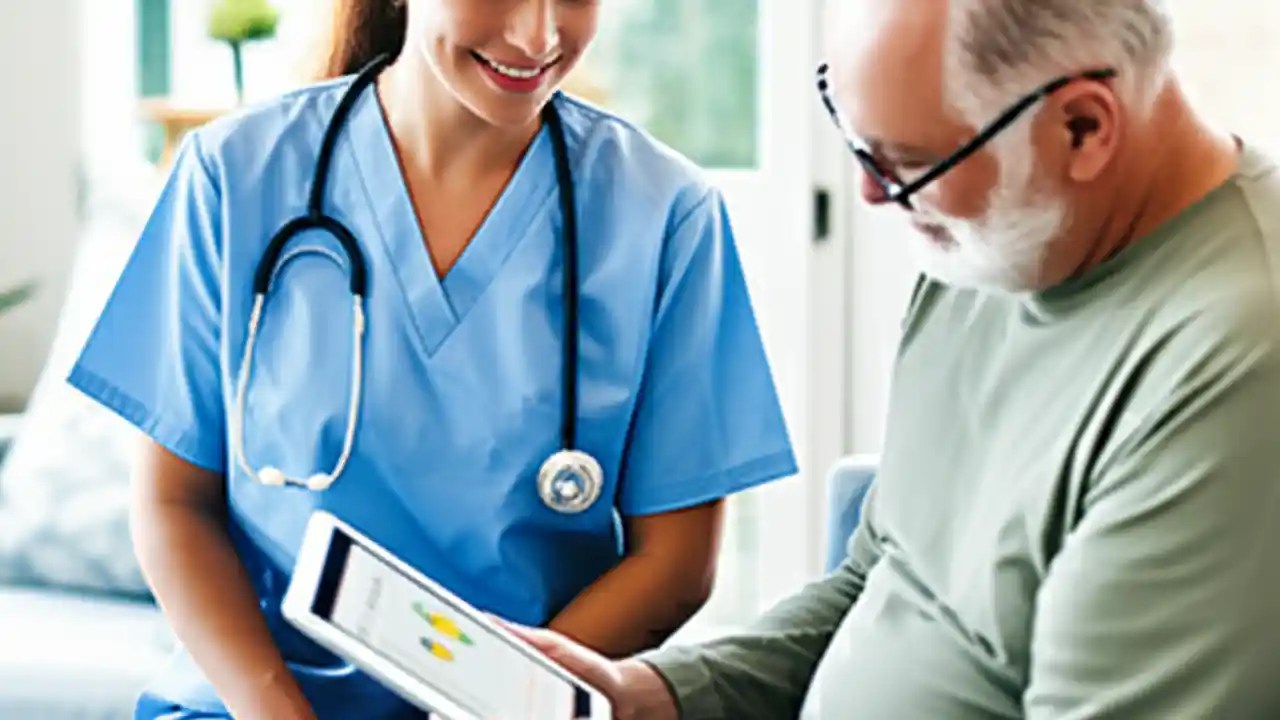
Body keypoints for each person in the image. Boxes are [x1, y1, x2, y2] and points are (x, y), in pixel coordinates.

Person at [517, 0, 1280, 717]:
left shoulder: (1234, 366)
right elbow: (885, 575)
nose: (873, 194)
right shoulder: (1002, 246)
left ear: (1081, 127)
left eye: (905, 162)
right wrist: (659, 694)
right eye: (856, 141)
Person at [66, 0, 797, 718]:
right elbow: (172, 504)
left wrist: (498, 699)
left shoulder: (664, 213)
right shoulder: (236, 173)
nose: (537, 33)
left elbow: (675, 564)